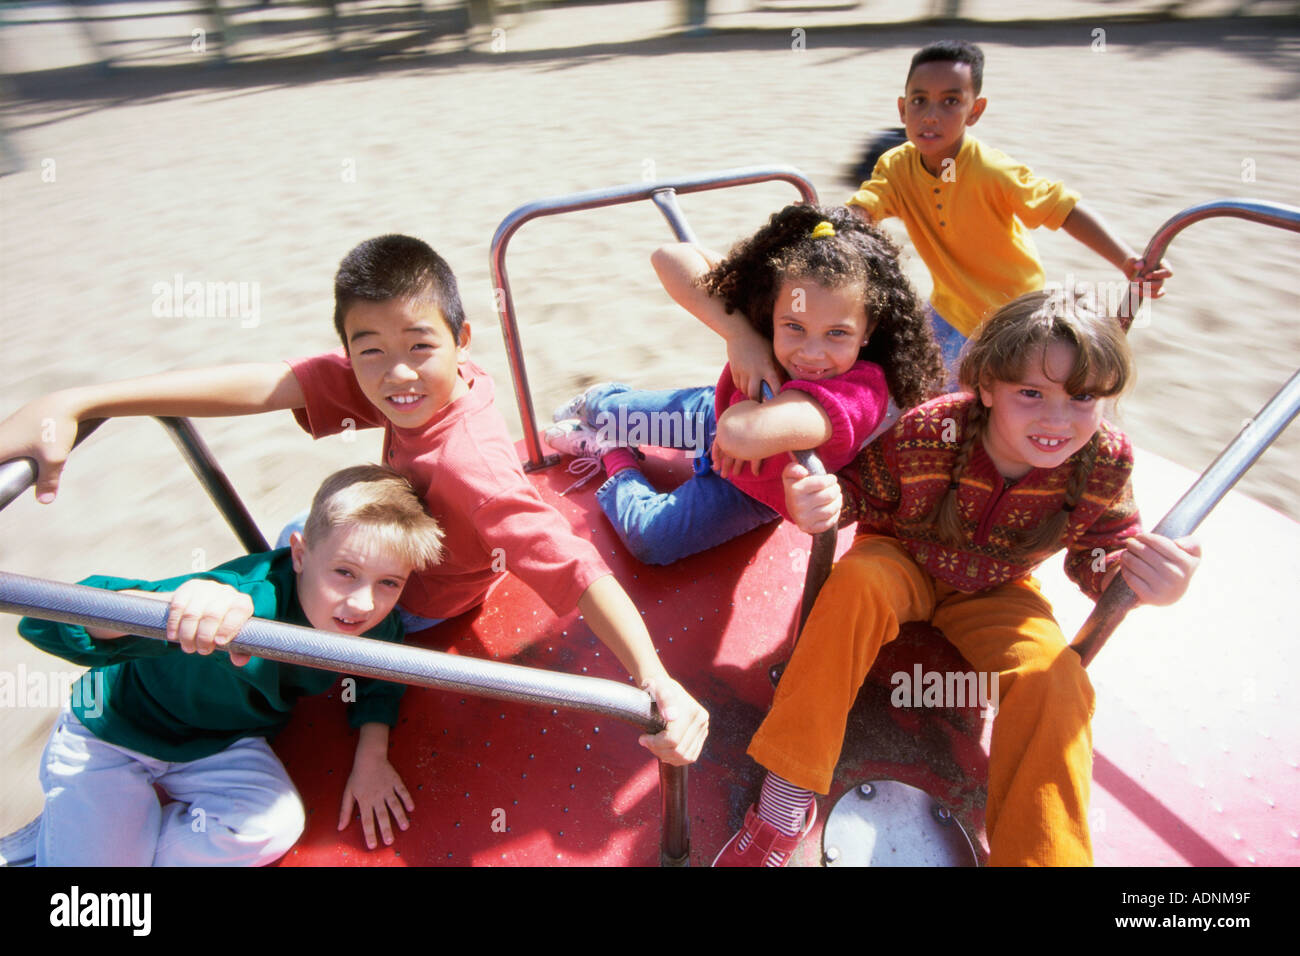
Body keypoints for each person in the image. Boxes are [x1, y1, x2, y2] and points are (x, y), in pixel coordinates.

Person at [0, 234, 708, 765]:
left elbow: (576, 566)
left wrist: (657, 682)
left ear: (461, 339)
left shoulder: (472, 471)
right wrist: (88, 398)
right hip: (379, 539)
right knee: (250, 570)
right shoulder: (424, 381)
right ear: (348, 348)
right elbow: (266, 386)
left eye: (418, 346)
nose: (396, 372)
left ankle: (103, 672)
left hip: (402, 602)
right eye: (367, 349)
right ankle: (116, 628)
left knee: (225, 626)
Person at [715, 288, 1202, 867]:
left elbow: (1100, 552)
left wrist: (1141, 578)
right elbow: (858, 494)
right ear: (988, 388)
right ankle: (784, 799)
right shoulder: (931, 429)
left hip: (1000, 587)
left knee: (1057, 677)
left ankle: (1040, 858)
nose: (1056, 418)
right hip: (903, 555)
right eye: (1030, 393)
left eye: (1082, 398)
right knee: (855, 586)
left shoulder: (1105, 460)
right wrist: (816, 501)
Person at [18, 464, 445, 865]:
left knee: (271, 826)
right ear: (299, 554)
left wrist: (371, 755)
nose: (363, 603)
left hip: (221, 740)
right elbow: (43, 622)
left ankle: (95, 838)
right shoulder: (238, 601)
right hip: (113, 730)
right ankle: (74, 835)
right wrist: (173, 608)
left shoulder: (375, 622)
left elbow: (379, 675)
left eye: (389, 582)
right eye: (345, 572)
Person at [543, 203, 945, 566]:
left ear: (869, 329)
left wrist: (737, 431)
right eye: (794, 327)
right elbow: (670, 258)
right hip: (709, 414)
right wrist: (742, 336)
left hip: (752, 488)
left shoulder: (862, 390)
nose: (811, 352)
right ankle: (600, 402)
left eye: (837, 334)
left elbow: (741, 433)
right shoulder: (783, 302)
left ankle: (610, 451)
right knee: (607, 411)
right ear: (771, 308)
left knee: (651, 539)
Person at [848, 39, 1172, 373]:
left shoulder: (993, 171)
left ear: (975, 111)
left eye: (950, 101)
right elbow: (866, 207)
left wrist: (1126, 261)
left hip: (1009, 313)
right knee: (903, 370)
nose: (931, 116)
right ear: (902, 109)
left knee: (962, 399)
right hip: (949, 303)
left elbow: (1064, 210)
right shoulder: (895, 166)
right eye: (919, 101)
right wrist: (832, 227)